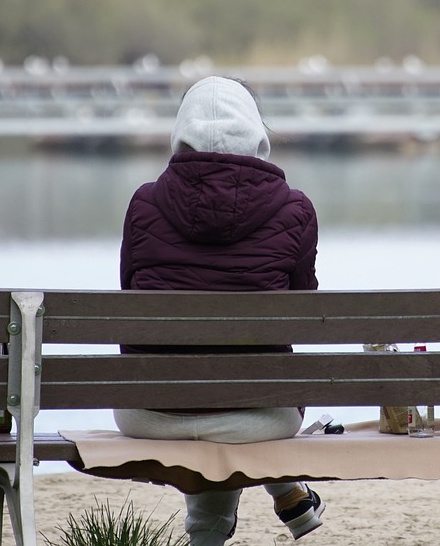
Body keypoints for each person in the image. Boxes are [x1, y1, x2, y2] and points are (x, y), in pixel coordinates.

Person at [113, 75, 326, 546]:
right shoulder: (296, 210)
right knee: (237, 404)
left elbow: (129, 299)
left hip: (149, 412)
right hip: (260, 415)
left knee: (208, 386)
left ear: (180, 134)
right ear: (257, 133)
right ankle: (285, 493)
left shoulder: (143, 204)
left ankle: (208, 533)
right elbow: (302, 311)